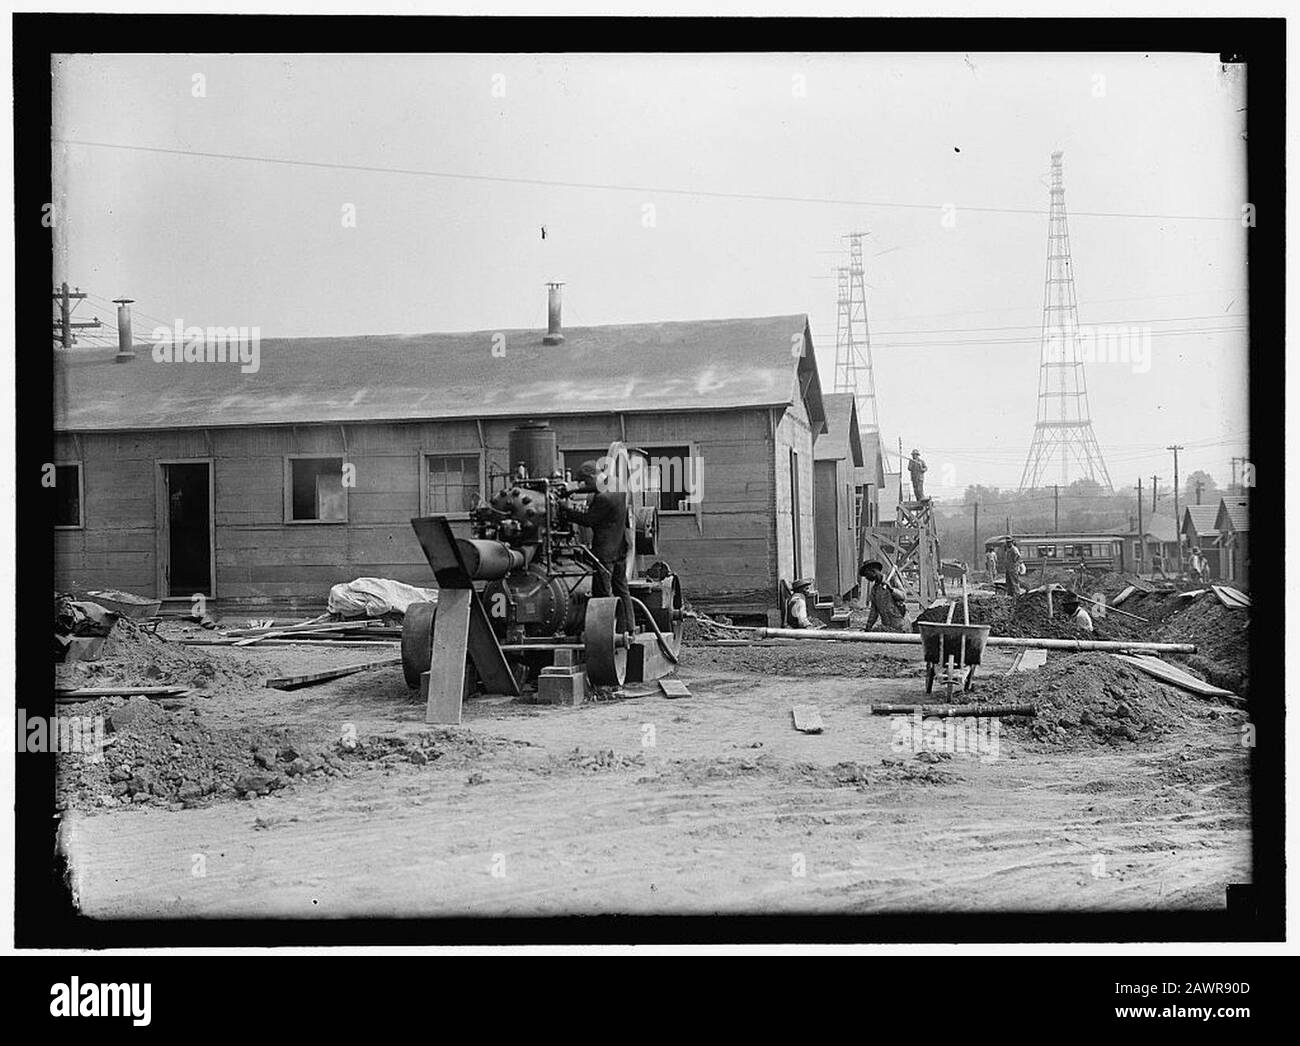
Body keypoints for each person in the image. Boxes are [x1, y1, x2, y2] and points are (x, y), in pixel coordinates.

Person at [559, 460, 635, 630]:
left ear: (593, 476)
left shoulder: (603, 498)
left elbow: (588, 520)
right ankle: (629, 628)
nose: (584, 485)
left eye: (585, 481)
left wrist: (565, 510)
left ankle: (605, 632)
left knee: (602, 594)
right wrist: (573, 489)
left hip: (604, 552)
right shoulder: (616, 485)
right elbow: (593, 488)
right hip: (620, 547)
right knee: (622, 590)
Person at [859, 560, 909, 632]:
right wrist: (868, 627)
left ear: (873, 571)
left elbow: (903, 597)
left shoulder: (892, 580)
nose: (866, 577)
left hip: (902, 625)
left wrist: (891, 589)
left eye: (867, 574)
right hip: (887, 627)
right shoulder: (874, 590)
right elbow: (874, 611)